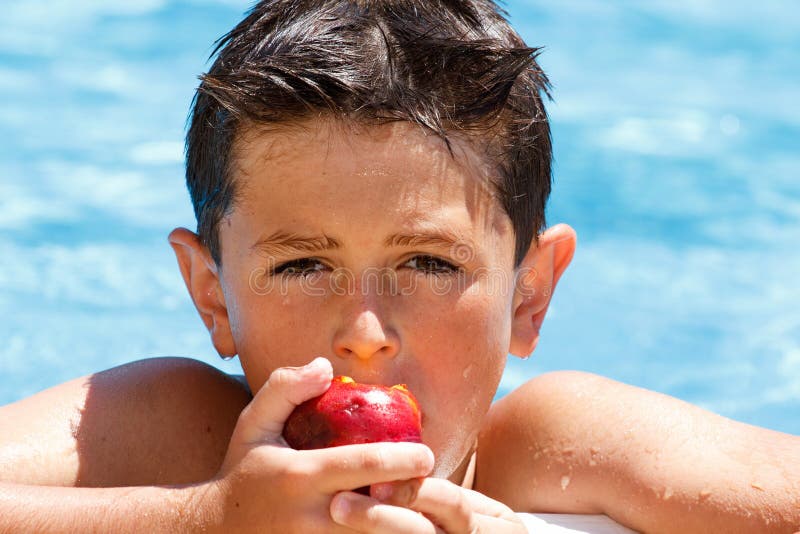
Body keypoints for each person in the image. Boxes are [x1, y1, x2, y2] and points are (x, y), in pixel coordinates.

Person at [1, 0, 798, 532]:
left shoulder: (551, 449)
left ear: (531, 295)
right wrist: (205, 519)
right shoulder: (176, 427)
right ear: (213, 297)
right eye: (303, 266)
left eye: (426, 260)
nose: (365, 336)